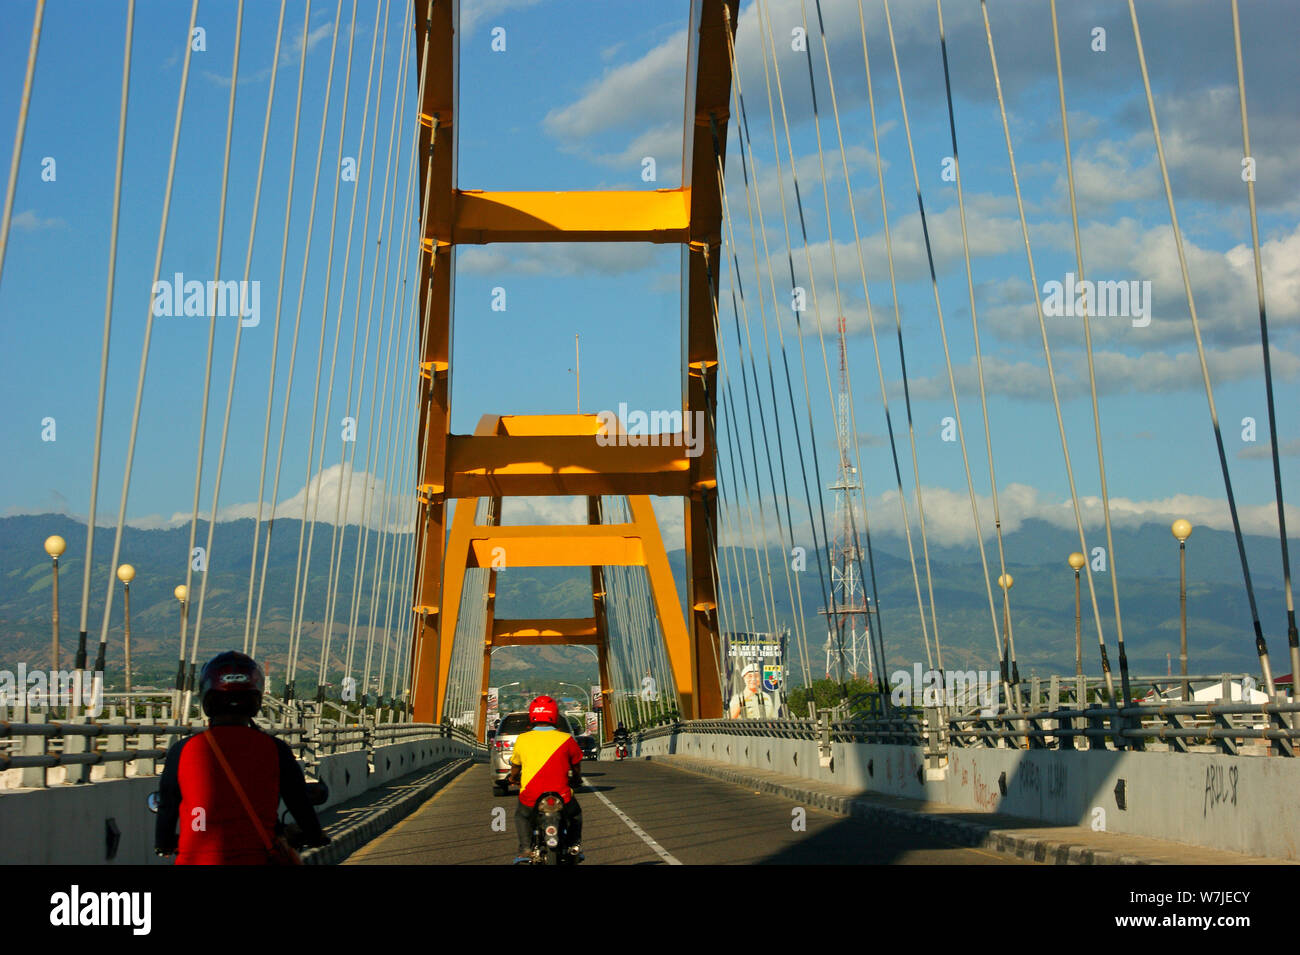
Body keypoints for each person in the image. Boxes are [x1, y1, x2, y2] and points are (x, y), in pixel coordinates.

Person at [155, 651, 329, 865]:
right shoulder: (275, 750)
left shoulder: (183, 750)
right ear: (255, 698)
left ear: (207, 697)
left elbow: (167, 806)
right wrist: (314, 834)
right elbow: (298, 802)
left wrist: (163, 842)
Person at [508, 694, 585, 864]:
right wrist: (577, 779)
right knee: (576, 814)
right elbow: (576, 765)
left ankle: (526, 849)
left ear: (532, 715)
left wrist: (513, 778)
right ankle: (574, 845)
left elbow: (515, 766)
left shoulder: (523, 739)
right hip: (561, 795)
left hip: (531, 795)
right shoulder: (566, 739)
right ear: (554, 715)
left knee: (522, 816)